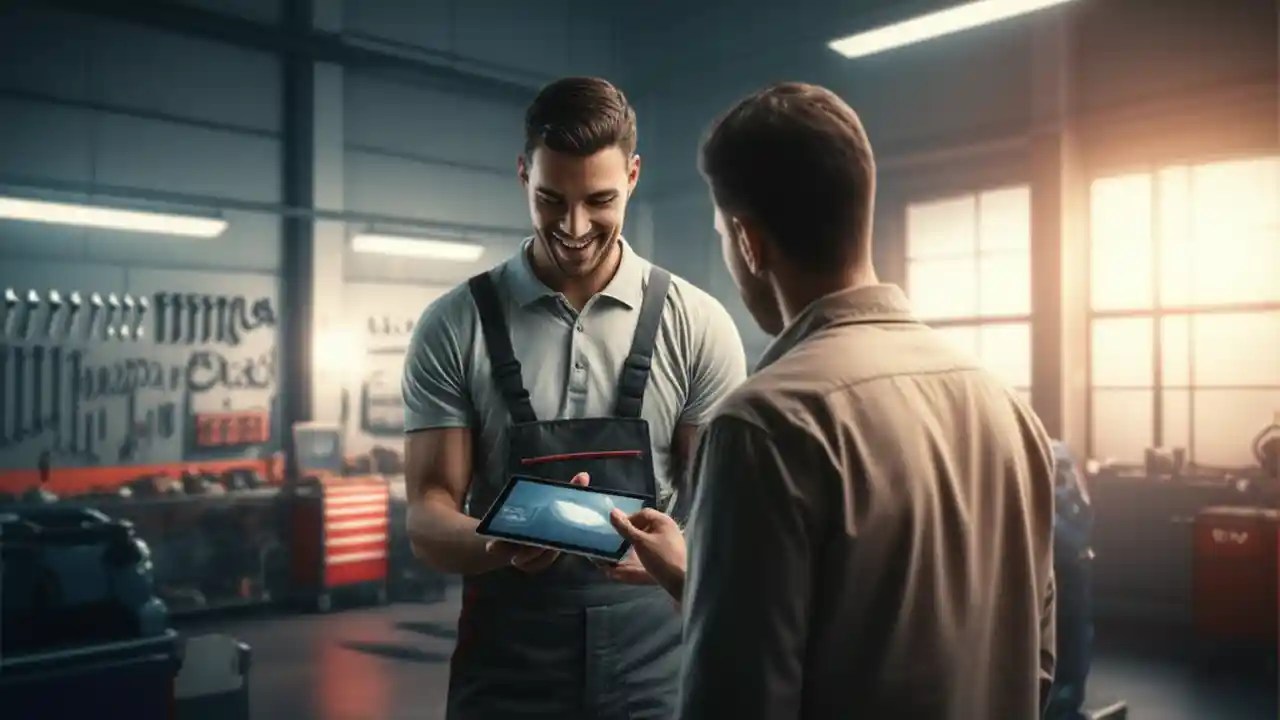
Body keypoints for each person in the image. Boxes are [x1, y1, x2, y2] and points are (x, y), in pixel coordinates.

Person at [607, 82, 1058, 719]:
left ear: (748, 242)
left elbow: (738, 701)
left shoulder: (765, 424)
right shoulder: (1007, 408)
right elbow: (1032, 666)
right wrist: (697, 579)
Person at [400, 76, 747, 720]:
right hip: (507, 660)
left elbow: (725, 517)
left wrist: (678, 559)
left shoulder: (697, 325)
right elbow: (427, 513)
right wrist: (497, 544)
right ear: (522, 174)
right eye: (551, 199)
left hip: (658, 659)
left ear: (635, 176)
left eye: (600, 199)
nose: (575, 226)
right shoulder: (455, 324)